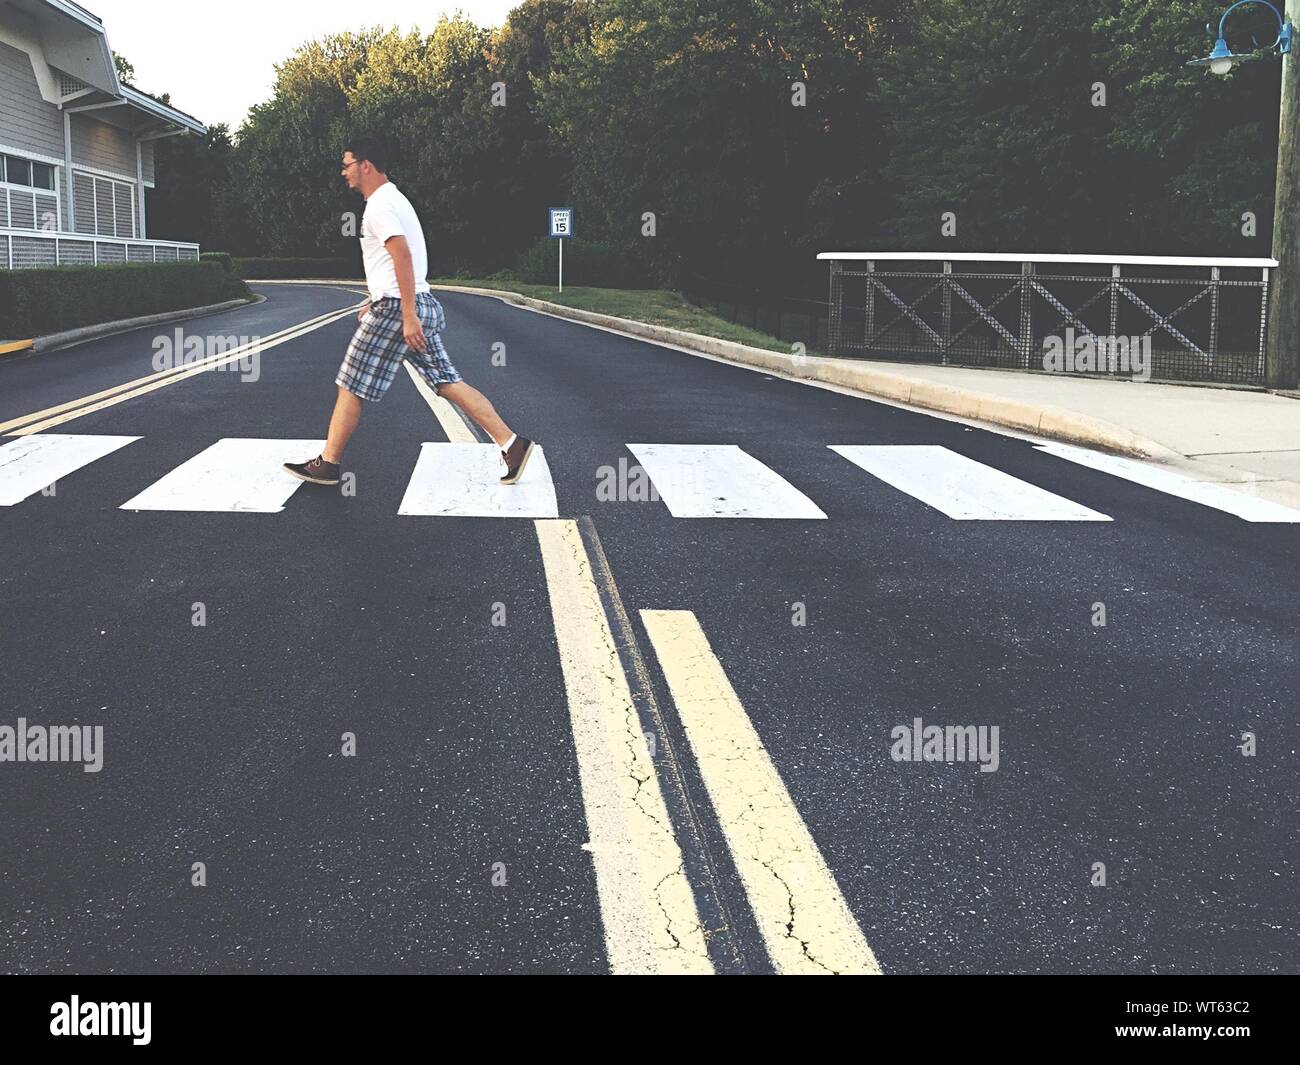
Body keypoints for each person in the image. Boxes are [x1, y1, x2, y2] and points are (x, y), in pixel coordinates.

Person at [284, 135, 535, 487]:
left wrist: (406, 313)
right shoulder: (395, 199)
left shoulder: (380, 205)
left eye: (347, 165)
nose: (344, 172)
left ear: (365, 165)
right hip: (413, 303)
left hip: (399, 309)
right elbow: (396, 261)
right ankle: (513, 444)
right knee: (448, 382)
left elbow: (402, 254)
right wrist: (385, 300)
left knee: (350, 384)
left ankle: (329, 463)